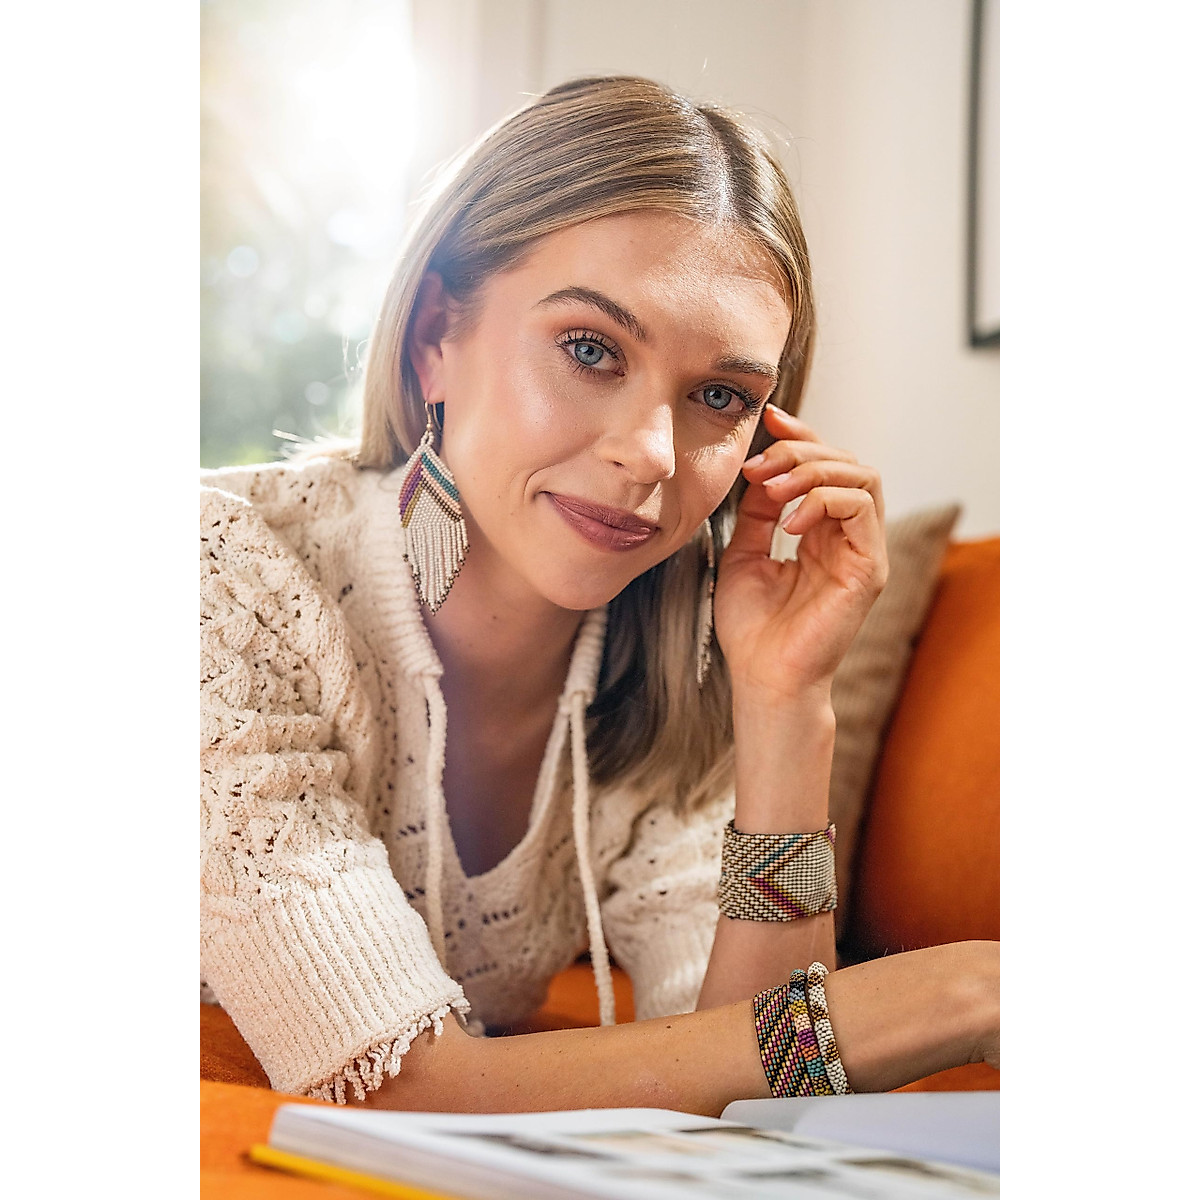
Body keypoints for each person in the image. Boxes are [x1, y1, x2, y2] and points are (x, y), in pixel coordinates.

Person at [200, 75, 999, 1114]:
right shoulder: (222, 575)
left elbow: (753, 1085)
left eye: (721, 396)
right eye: (590, 349)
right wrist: (948, 996)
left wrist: (787, 702)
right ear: (436, 334)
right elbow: (399, 1087)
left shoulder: (667, 649)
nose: (652, 453)